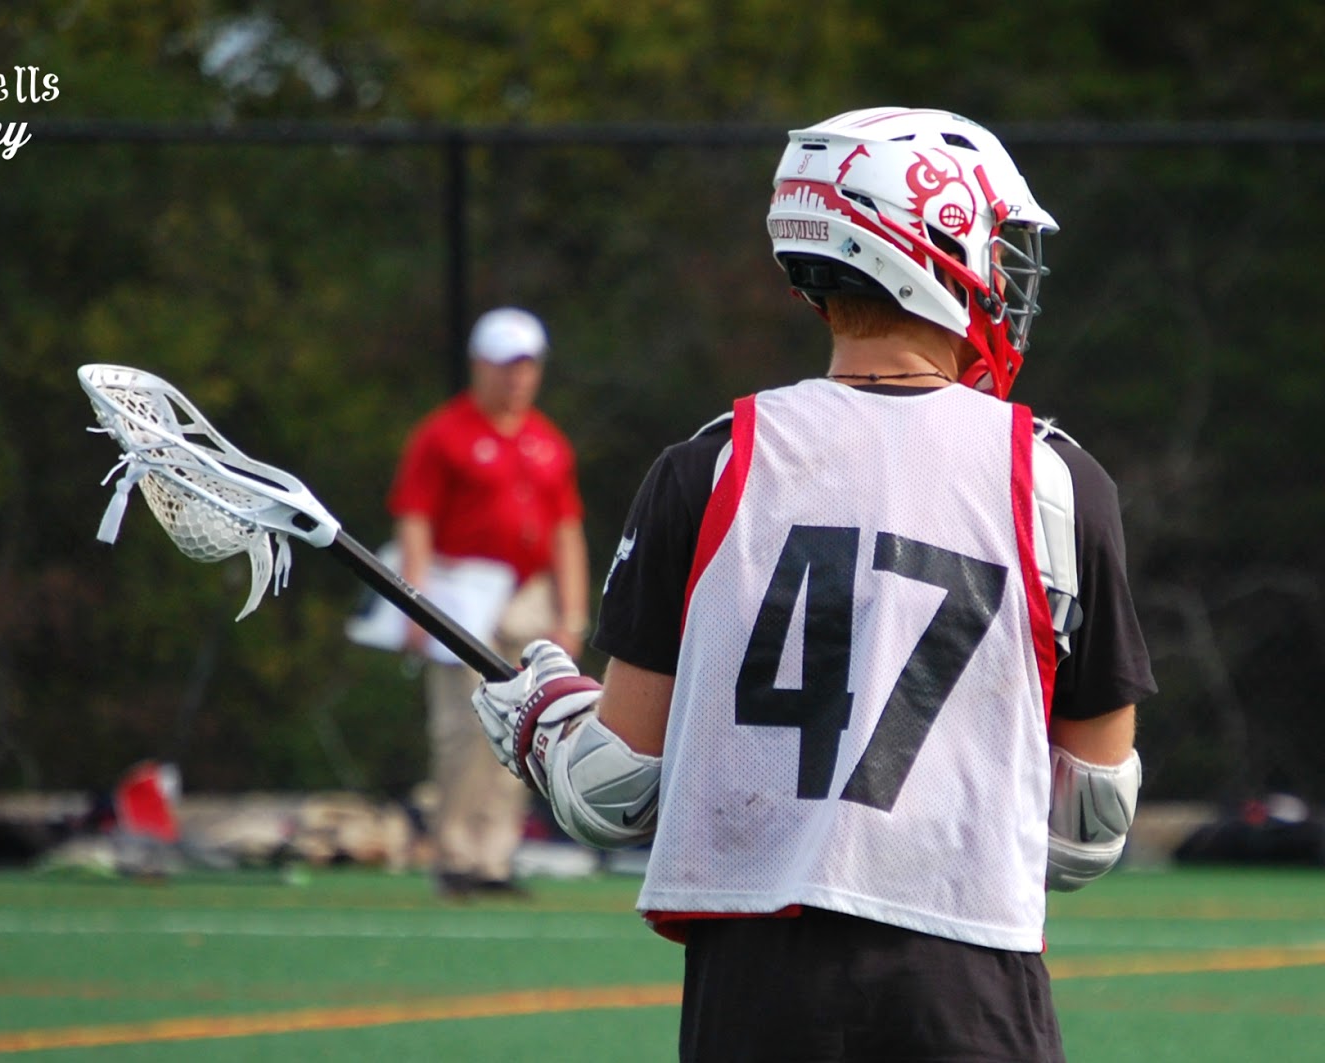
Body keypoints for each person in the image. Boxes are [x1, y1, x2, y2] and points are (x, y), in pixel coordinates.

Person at [473, 107, 1156, 1061]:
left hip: (754, 986)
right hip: (967, 984)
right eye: (998, 248)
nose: (1008, 278)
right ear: (938, 241)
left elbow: (615, 788)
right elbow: (1087, 829)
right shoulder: (1056, 479)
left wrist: (549, 722)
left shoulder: (710, 465)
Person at [387, 306, 590, 899]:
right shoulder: (444, 434)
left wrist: (570, 614)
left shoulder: (546, 442)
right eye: (506, 366)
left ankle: (496, 856)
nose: (517, 379)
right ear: (479, 366)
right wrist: (414, 601)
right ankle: (455, 854)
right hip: (462, 596)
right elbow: (416, 518)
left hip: (526, 597)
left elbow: (565, 533)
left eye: (527, 366)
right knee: (462, 729)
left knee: (525, 727)